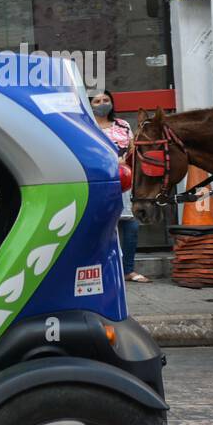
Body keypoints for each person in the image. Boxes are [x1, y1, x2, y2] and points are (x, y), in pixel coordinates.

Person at [91, 91, 149, 283]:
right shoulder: (86, 125)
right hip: (99, 181)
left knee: (130, 224)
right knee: (104, 227)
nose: (102, 103)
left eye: (105, 100)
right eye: (97, 101)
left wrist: (127, 161)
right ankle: (105, 270)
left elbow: (133, 149)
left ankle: (128, 270)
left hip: (125, 180)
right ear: (90, 105)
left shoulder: (122, 125)